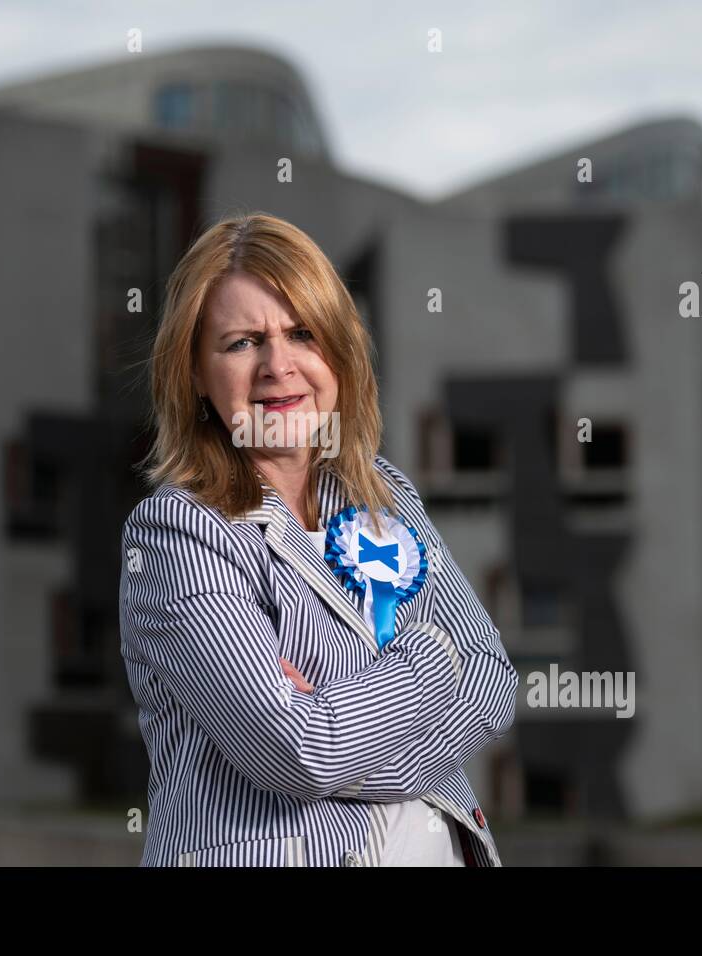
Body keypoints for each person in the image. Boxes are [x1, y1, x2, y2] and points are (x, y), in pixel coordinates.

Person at [119, 211, 519, 867]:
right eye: (243, 341)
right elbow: (298, 750)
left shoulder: (383, 495)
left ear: (337, 349)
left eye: (302, 333)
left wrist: (341, 729)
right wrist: (428, 654)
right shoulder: (179, 532)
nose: (279, 365)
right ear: (193, 372)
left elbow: (492, 680)